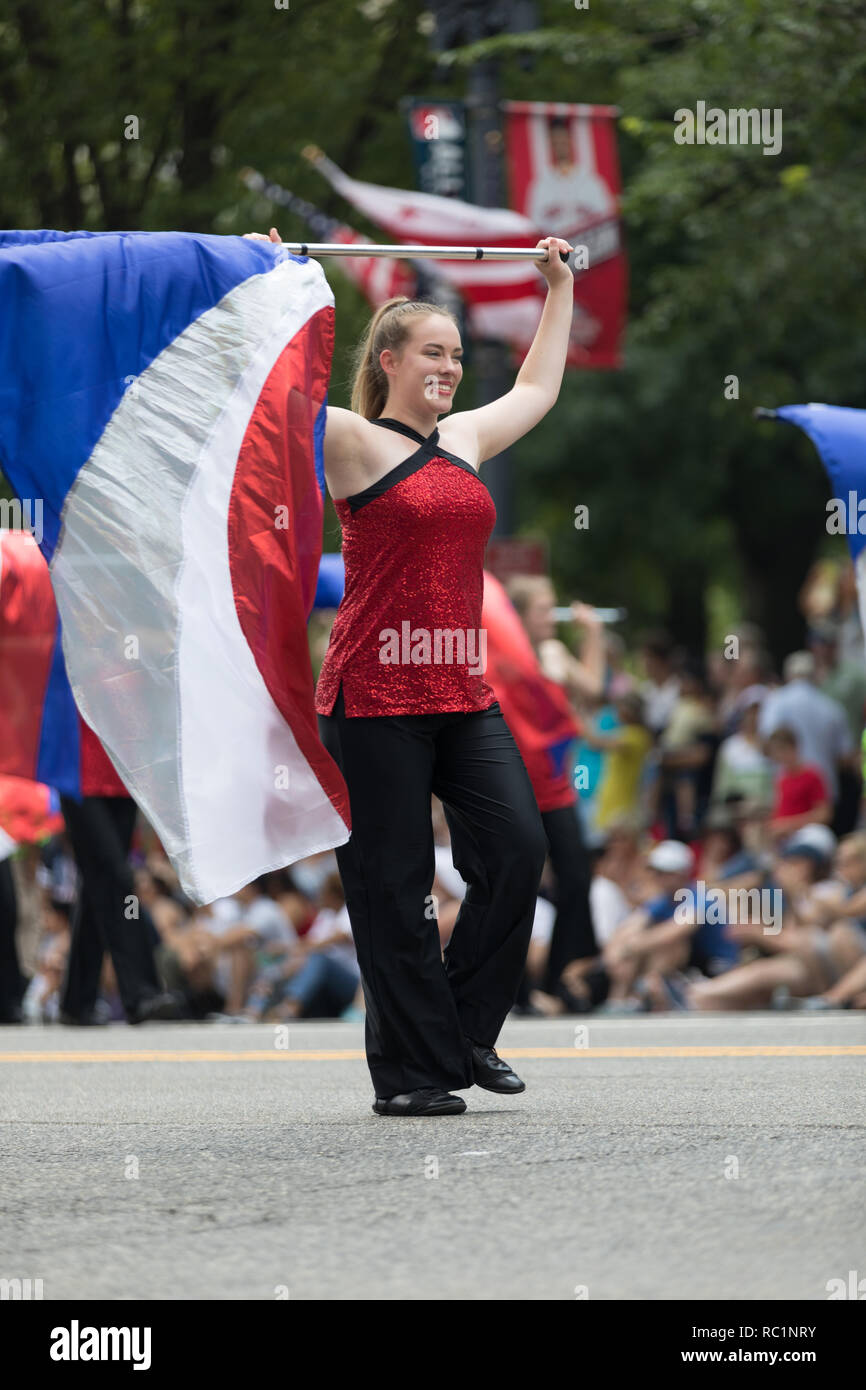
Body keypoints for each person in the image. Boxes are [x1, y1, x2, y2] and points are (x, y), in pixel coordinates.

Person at [245, 226, 573, 1115]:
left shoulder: (464, 438)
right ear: (387, 359)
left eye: (458, 355)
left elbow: (538, 386)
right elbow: (277, 391)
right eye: (433, 351)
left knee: (518, 848)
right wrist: (275, 277)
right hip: (373, 690)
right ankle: (414, 1076)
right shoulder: (351, 440)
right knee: (394, 889)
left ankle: (465, 1031)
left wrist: (557, 288)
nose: (451, 367)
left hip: (460, 689)